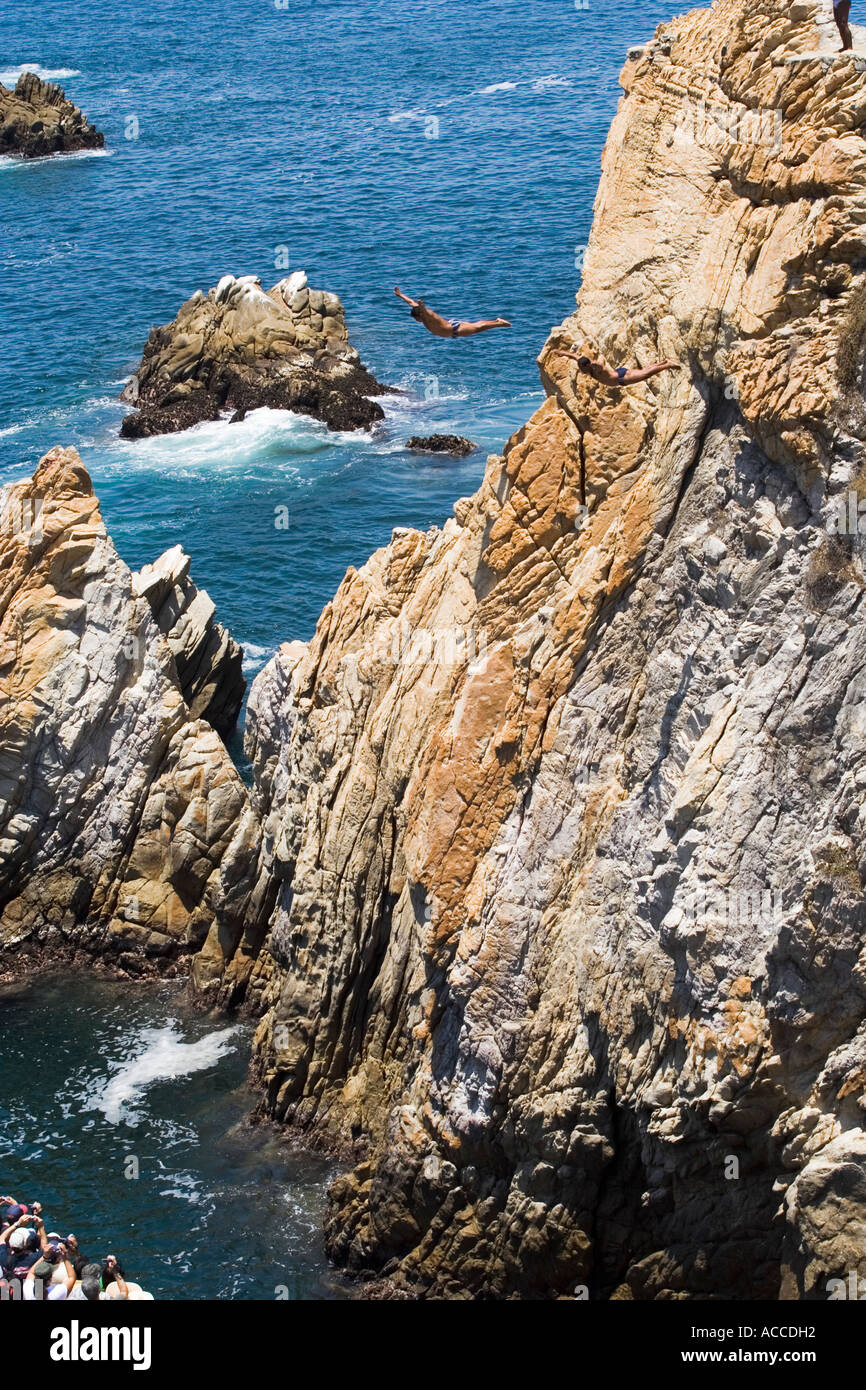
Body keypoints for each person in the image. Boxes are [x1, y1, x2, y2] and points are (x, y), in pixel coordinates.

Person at [394, 286, 510, 338]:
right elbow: (410, 302)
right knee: (476, 324)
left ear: (419, 315)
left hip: (455, 330)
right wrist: (400, 295)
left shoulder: (426, 315)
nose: (416, 321)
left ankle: (499, 324)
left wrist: (421, 305)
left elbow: (422, 308)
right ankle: (496, 321)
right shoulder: (420, 312)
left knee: (478, 328)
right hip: (451, 325)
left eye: (416, 318)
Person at [556, 349, 681, 386]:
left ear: (587, 365)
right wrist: (561, 352)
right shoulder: (582, 362)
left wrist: (595, 364)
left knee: (646, 374)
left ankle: (667, 365)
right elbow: (573, 355)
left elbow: (600, 364)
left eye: (583, 369)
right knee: (645, 371)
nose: (582, 371)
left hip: (622, 378)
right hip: (619, 373)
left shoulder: (595, 367)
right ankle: (664, 362)